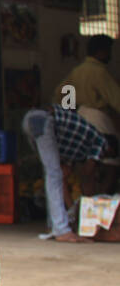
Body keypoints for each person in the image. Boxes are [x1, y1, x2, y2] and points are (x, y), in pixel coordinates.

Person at [22, 102, 118, 242]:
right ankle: (61, 230)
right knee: (53, 174)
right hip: (43, 120)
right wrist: (91, 207)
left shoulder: (76, 148)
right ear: (111, 148)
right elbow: (88, 176)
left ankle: (54, 226)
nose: (104, 158)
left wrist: (73, 208)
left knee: (53, 174)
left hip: (32, 120)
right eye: (110, 155)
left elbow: (64, 179)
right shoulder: (101, 142)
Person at [58, 35, 120, 126]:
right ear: (101, 52)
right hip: (98, 121)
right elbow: (117, 100)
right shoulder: (100, 72)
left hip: (79, 120)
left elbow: (60, 95)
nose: (110, 56)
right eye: (109, 51)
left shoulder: (77, 71)